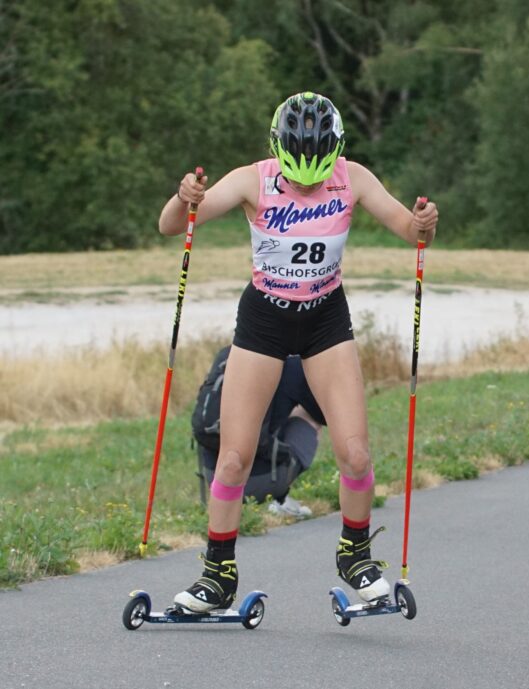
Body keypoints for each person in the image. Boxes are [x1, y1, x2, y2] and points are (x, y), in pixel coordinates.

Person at [159, 91, 438, 612]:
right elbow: (173, 225)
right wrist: (184, 196)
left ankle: (355, 557)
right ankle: (217, 575)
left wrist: (425, 224)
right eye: (298, 174)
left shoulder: (353, 177)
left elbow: (409, 229)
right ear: (279, 151)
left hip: (325, 322)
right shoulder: (251, 179)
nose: (309, 184)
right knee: (235, 456)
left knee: (355, 452)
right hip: (264, 321)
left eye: (318, 173)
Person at [192, 345, 325, 519]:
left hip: (216, 478)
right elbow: (324, 414)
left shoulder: (226, 355)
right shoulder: (291, 365)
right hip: (260, 483)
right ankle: (280, 500)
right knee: (310, 416)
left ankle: (221, 508)